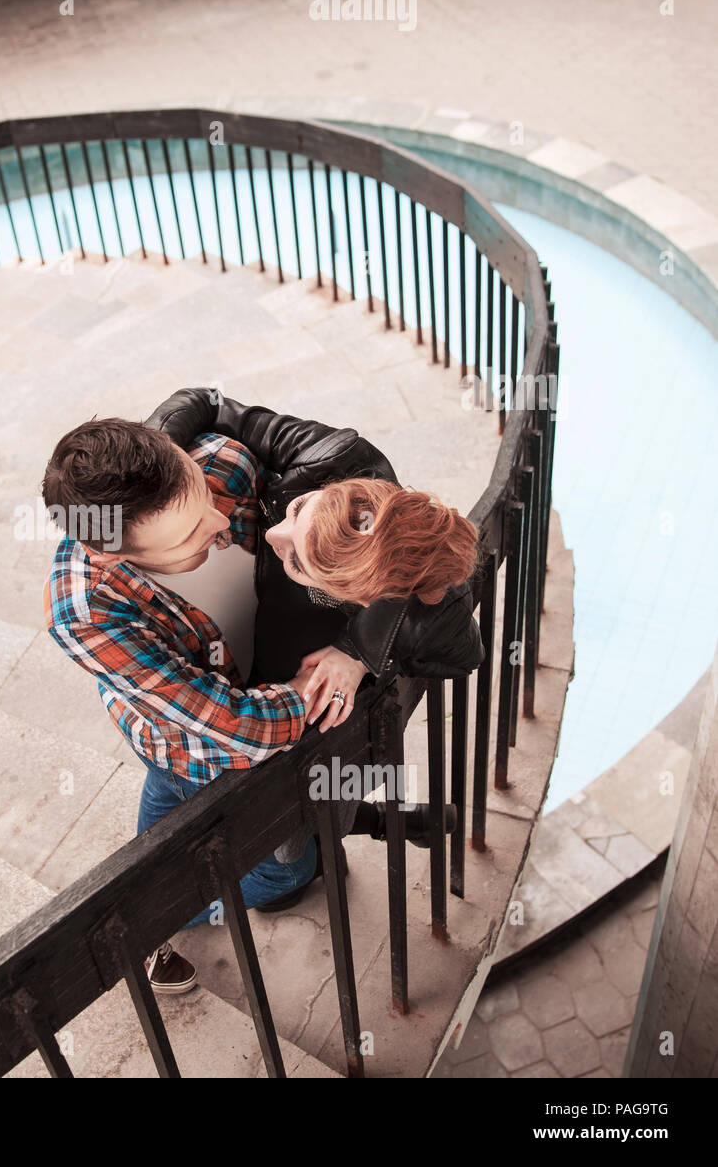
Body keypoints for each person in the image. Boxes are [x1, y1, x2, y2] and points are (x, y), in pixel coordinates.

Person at [41, 410, 483, 993]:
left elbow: (408, 562)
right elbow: (237, 730)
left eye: (201, 497)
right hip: (192, 755)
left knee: (221, 845)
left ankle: (355, 824)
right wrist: (308, 692)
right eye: (187, 536)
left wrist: (354, 651)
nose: (220, 520)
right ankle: (150, 927)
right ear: (115, 555)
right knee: (279, 878)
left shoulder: (222, 460)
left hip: (255, 703)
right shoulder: (86, 609)